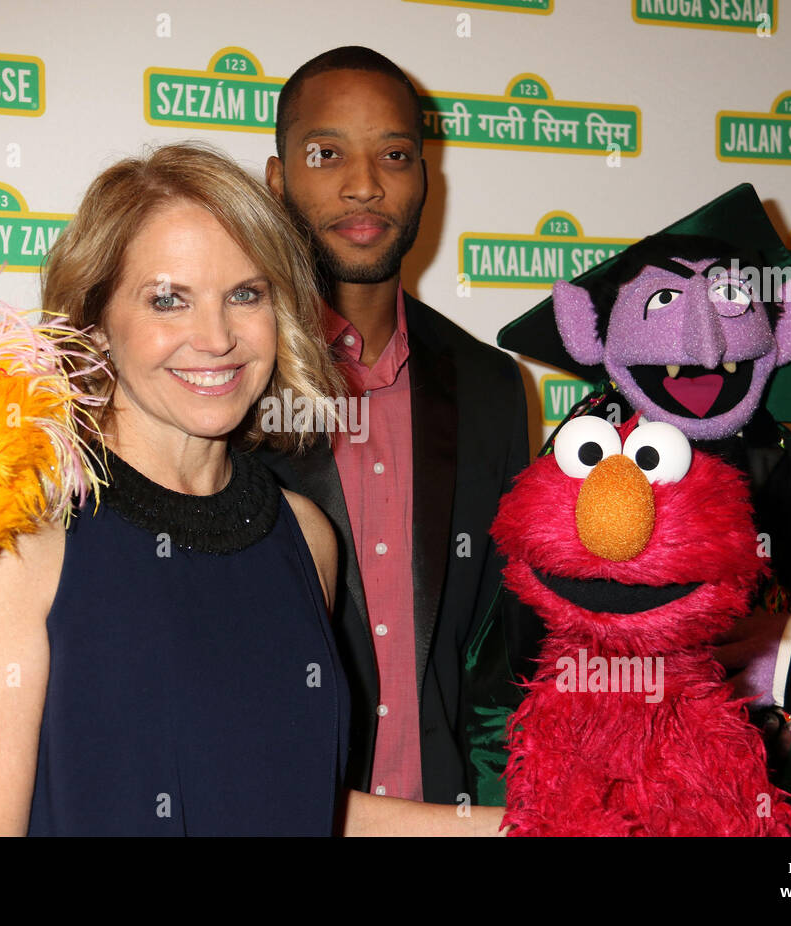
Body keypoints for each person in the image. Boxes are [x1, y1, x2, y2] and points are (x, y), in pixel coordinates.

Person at [0, 143, 349, 835]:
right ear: (95, 324)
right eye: (168, 299)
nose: (217, 336)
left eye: (245, 295)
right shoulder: (20, 546)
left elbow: (297, 805)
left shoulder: (306, 536)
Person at [257, 46, 534, 815]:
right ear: (277, 181)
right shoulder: (224, 379)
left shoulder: (490, 386)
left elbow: (507, 642)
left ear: (425, 179)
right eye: (327, 153)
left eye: (395, 154)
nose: (364, 183)